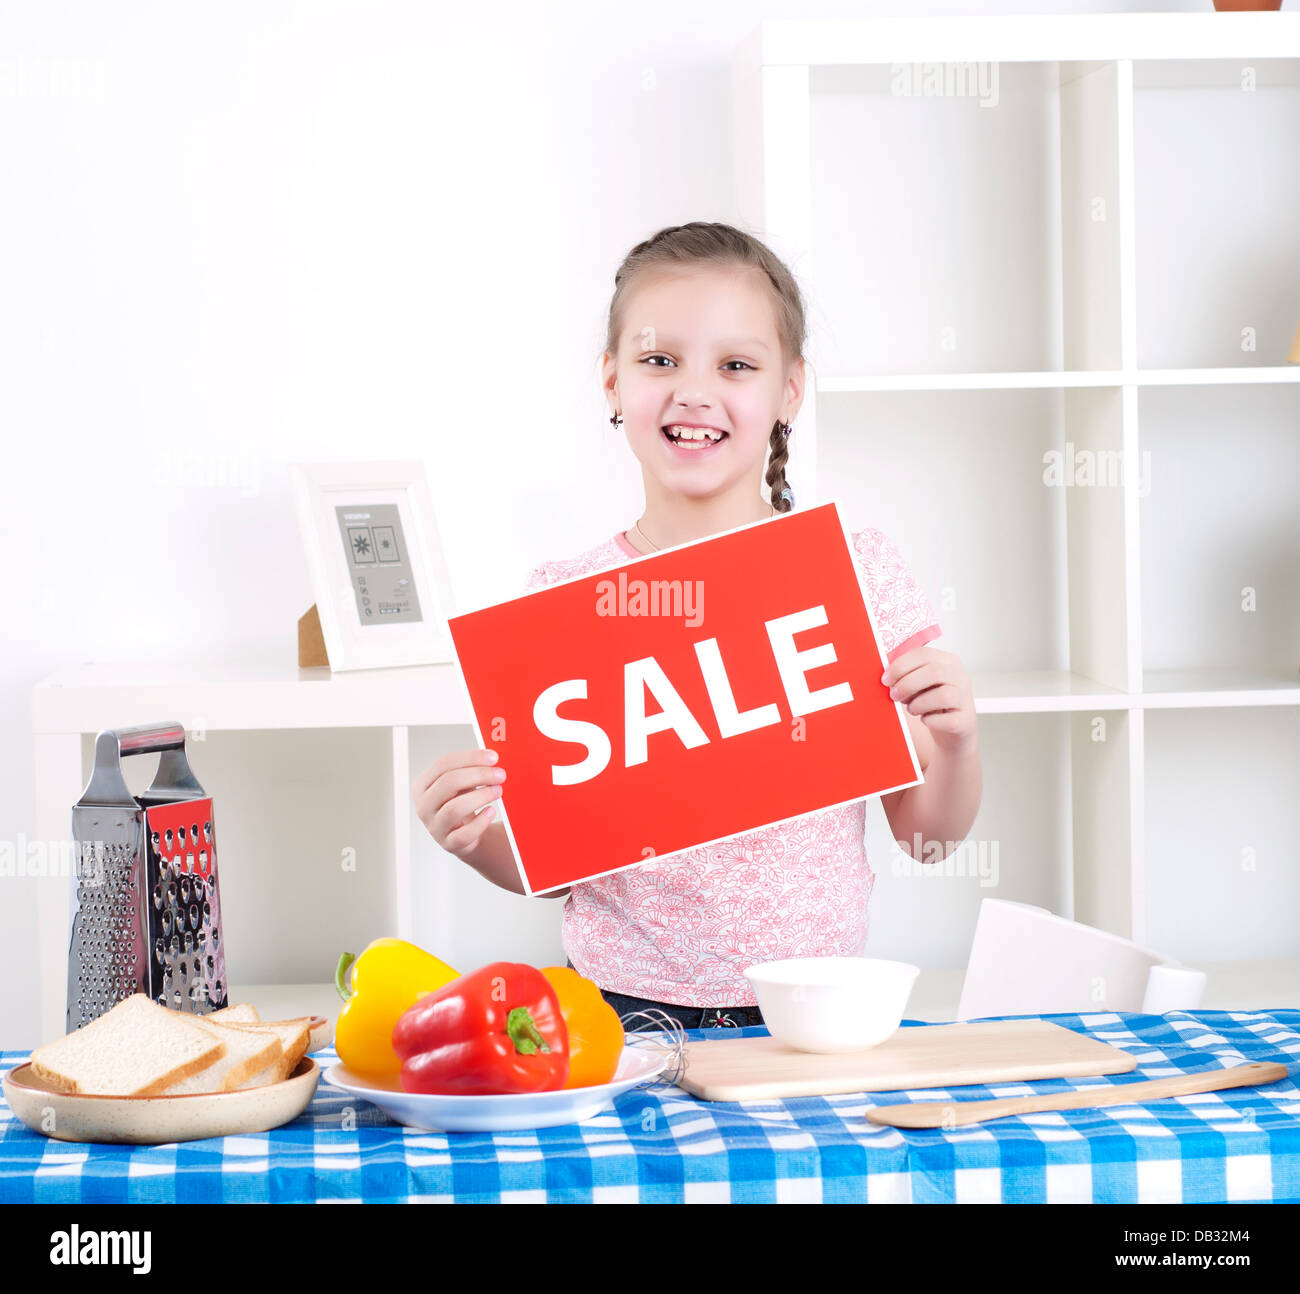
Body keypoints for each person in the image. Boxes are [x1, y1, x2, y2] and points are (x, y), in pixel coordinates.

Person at [413, 222, 982, 1030]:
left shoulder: (855, 575)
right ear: (612, 382)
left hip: (815, 1010)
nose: (694, 391)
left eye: (737, 365)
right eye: (658, 360)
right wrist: (478, 841)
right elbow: (556, 872)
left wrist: (957, 743)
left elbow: (930, 836)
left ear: (790, 391)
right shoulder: (564, 598)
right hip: (620, 1013)